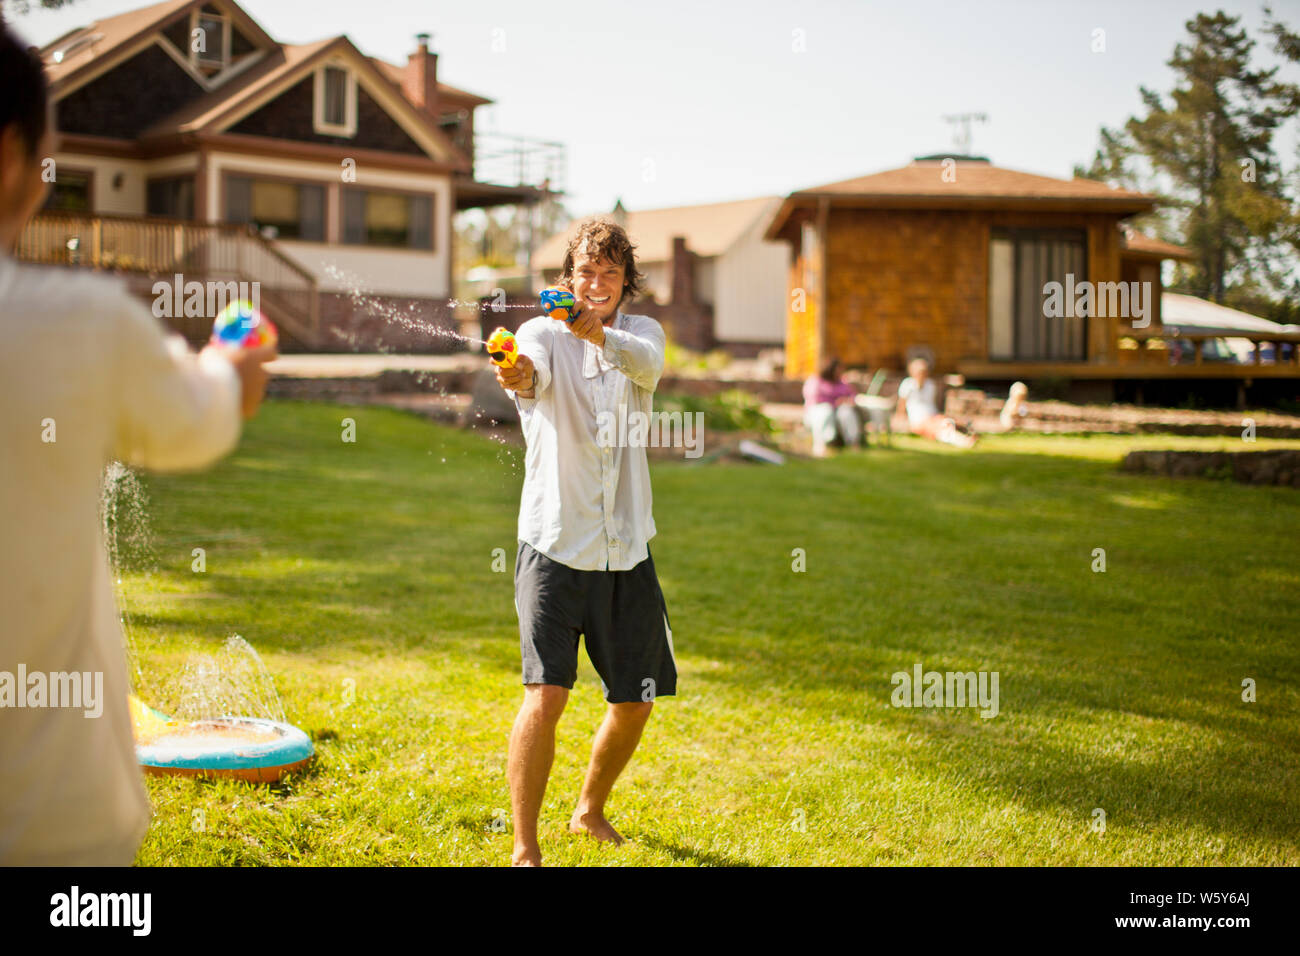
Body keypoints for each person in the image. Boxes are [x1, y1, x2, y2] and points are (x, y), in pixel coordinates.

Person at [0, 22, 276, 865]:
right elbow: (203, 417)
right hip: (52, 831)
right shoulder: (74, 324)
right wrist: (238, 358)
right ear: (13, 156)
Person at [494, 217, 676, 867]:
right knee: (546, 695)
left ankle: (589, 809)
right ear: (566, 278)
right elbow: (526, 377)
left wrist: (594, 330)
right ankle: (524, 846)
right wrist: (511, 371)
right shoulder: (540, 332)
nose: (595, 283)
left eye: (609, 273)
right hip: (554, 543)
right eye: (585, 273)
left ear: (626, 281)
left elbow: (645, 364)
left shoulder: (641, 335)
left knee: (637, 698)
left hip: (626, 546)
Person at [895, 357, 978, 448]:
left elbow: (934, 402)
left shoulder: (930, 384)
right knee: (940, 428)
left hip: (933, 417)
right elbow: (901, 406)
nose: (923, 374)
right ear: (913, 372)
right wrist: (901, 421)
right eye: (920, 372)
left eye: (924, 371)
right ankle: (962, 440)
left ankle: (965, 432)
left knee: (947, 422)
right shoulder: (908, 385)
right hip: (919, 421)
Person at [802, 357, 863, 457]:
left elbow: (853, 395)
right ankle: (820, 444)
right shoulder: (815, 381)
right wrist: (835, 403)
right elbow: (814, 399)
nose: (840, 372)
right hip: (818, 412)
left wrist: (846, 401)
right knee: (826, 410)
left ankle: (853, 442)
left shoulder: (842, 382)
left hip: (837, 412)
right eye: (838, 369)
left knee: (846, 411)